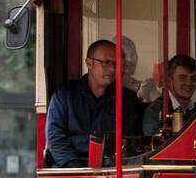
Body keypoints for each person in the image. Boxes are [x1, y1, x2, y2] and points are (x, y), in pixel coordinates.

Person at [45, 39, 143, 168]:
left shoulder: (128, 100)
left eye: (116, 64)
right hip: (69, 171)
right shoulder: (65, 94)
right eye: (106, 63)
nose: (113, 69)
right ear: (89, 63)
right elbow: (55, 137)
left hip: (112, 173)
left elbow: (131, 141)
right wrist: (77, 170)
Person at [143, 55, 196, 135]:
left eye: (193, 78)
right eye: (182, 77)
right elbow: (154, 143)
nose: (188, 83)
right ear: (169, 80)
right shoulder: (155, 111)